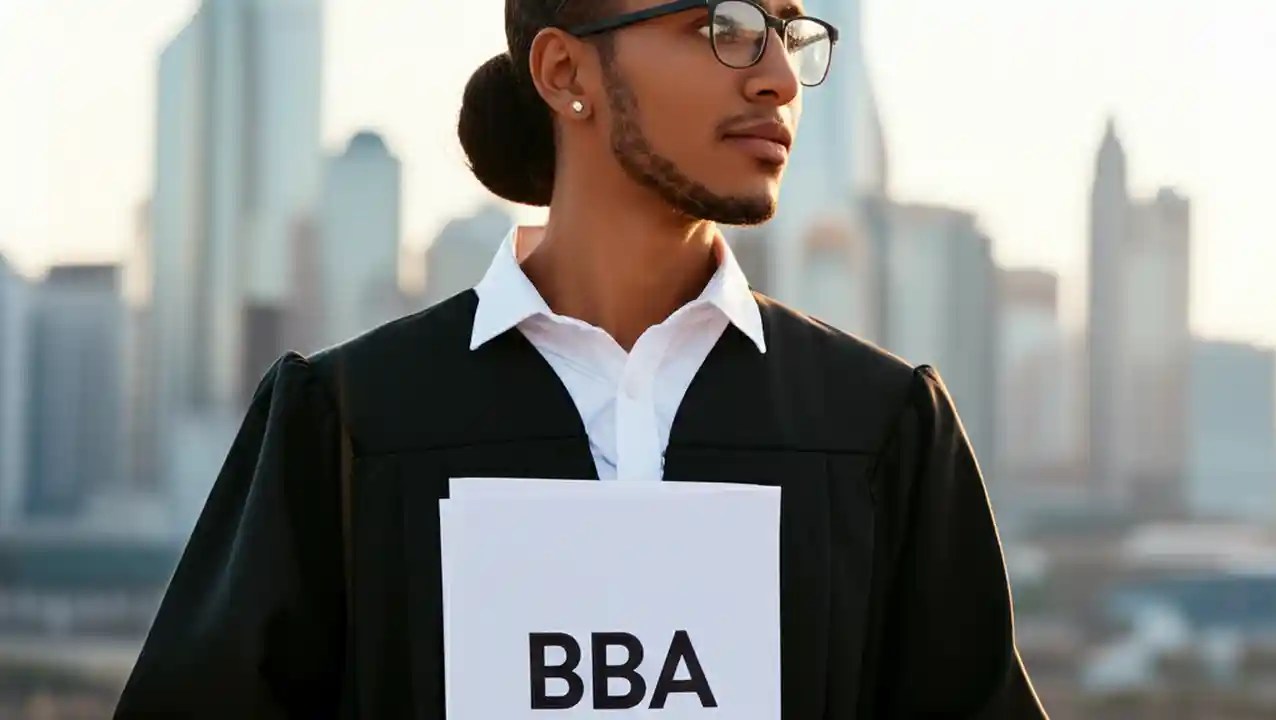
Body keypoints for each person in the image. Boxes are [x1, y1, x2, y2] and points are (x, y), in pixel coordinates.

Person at [114, 0, 1047, 717]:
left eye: (790, 32)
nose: (776, 76)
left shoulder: (880, 430)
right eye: (721, 25)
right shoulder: (353, 423)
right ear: (567, 70)